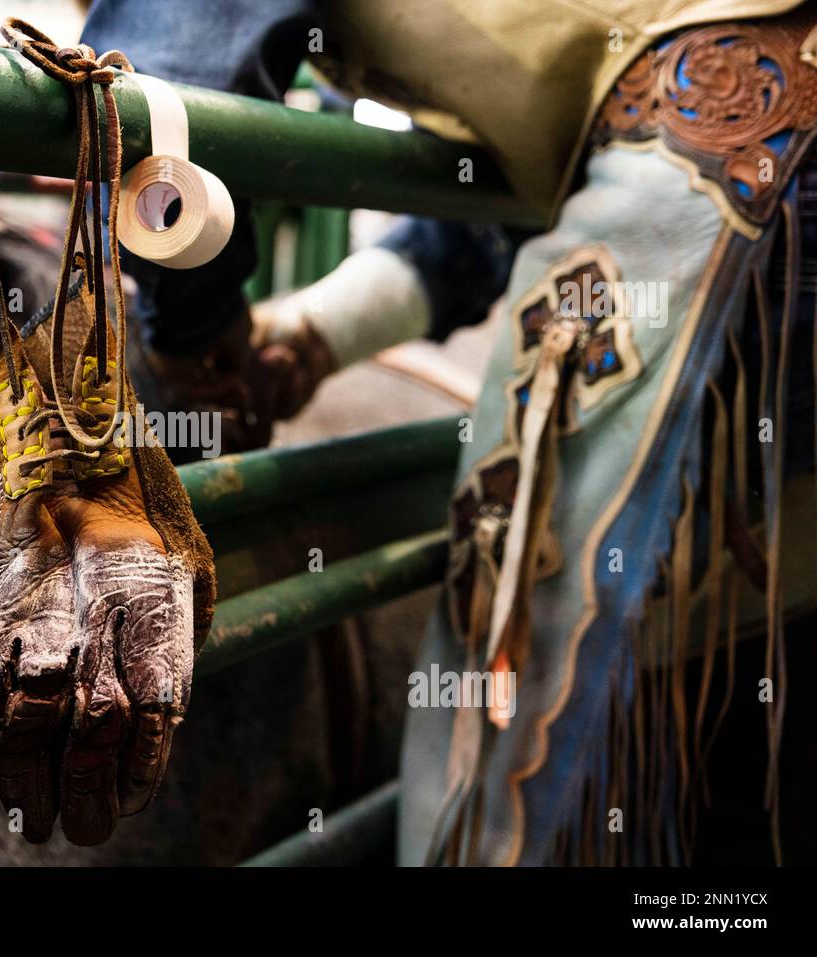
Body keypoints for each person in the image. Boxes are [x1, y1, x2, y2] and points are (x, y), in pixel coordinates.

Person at [79, 0, 817, 864]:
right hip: (743, 151)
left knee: (513, 661)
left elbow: (151, 96)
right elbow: (507, 201)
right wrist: (319, 332)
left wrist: (194, 340)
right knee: (746, 607)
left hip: (728, 153)